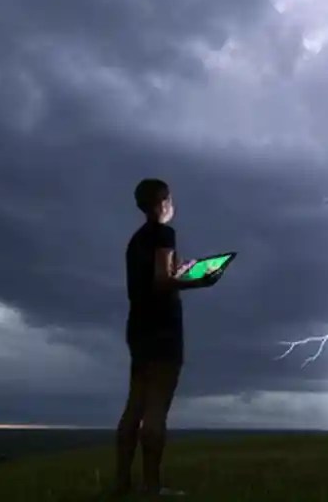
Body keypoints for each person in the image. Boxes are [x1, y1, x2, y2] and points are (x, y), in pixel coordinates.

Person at [115, 178, 221, 498]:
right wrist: (198, 282)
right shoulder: (164, 233)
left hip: (138, 328)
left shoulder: (136, 241)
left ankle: (122, 483)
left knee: (135, 405)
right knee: (156, 409)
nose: (172, 204)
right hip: (163, 330)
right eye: (169, 198)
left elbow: (153, 278)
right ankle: (151, 486)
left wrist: (180, 271)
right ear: (162, 202)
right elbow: (162, 282)